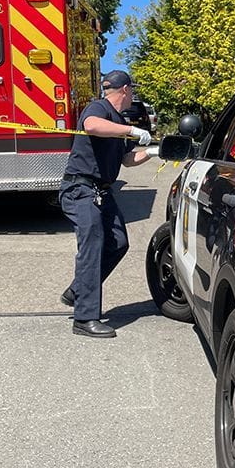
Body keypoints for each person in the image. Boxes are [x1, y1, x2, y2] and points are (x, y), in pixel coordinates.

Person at [59, 70, 154, 338]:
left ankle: (78, 289)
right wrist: (131, 130)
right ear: (125, 90)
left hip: (101, 190)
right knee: (93, 245)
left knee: (118, 242)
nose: (132, 95)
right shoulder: (98, 108)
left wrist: (154, 151)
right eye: (132, 91)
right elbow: (91, 126)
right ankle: (85, 318)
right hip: (81, 188)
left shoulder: (117, 120)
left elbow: (127, 160)